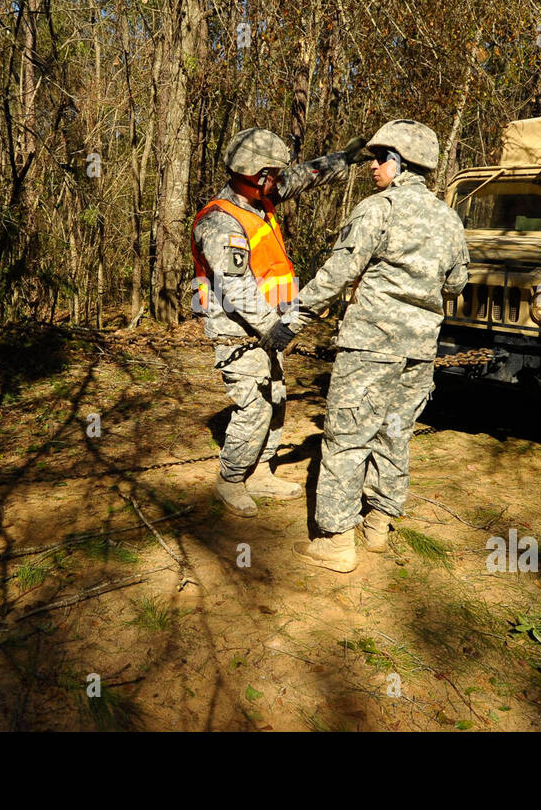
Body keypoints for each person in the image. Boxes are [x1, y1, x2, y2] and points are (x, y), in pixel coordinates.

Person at [261, 119, 469, 571]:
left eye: (378, 159)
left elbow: (335, 276)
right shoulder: (450, 219)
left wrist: (292, 322)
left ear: (398, 164)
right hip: (419, 350)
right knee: (395, 433)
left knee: (346, 438)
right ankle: (377, 525)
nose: (371, 166)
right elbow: (456, 284)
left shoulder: (379, 209)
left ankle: (335, 541)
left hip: (371, 346)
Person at [192, 128, 366, 518]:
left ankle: (262, 471)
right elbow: (236, 289)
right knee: (253, 406)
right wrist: (275, 325)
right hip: (240, 330)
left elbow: (302, 176)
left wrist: (344, 158)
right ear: (254, 174)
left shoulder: (260, 197)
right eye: (272, 173)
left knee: (277, 400)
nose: (278, 181)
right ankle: (231, 479)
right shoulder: (221, 223)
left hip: (270, 328)